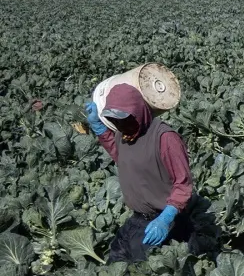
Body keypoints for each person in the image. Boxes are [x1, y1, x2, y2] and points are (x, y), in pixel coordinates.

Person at [86, 83, 212, 262]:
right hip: (137, 220)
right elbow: (122, 157)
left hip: (164, 221)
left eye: (123, 118)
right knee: (116, 268)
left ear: (138, 111)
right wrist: (99, 128)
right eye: (114, 120)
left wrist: (166, 218)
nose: (119, 124)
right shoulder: (125, 133)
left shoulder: (165, 138)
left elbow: (182, 184)